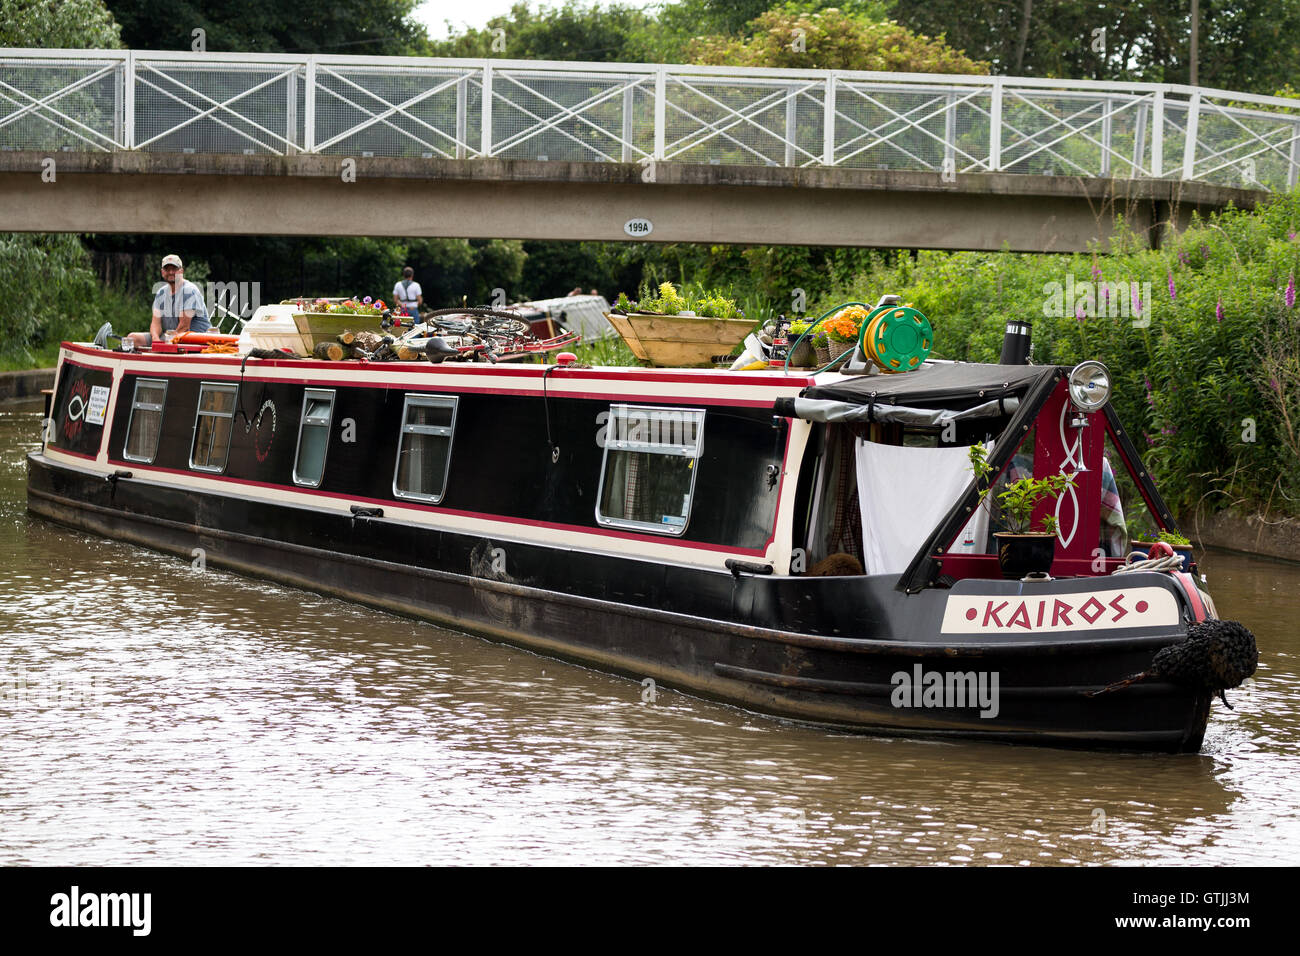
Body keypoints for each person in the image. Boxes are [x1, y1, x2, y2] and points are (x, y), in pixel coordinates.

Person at [126, 254, 210, 348]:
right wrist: (156, 339)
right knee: (132, 338)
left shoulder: (189, 290)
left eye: (174, 269)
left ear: (181, 271)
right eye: (167, 269)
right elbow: (155, 323)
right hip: (171, 338)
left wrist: (167, 343)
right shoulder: (161, 293)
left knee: (172, 343)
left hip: (193, 339)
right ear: (162, 272)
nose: (170, 272)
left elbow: (184, 326)